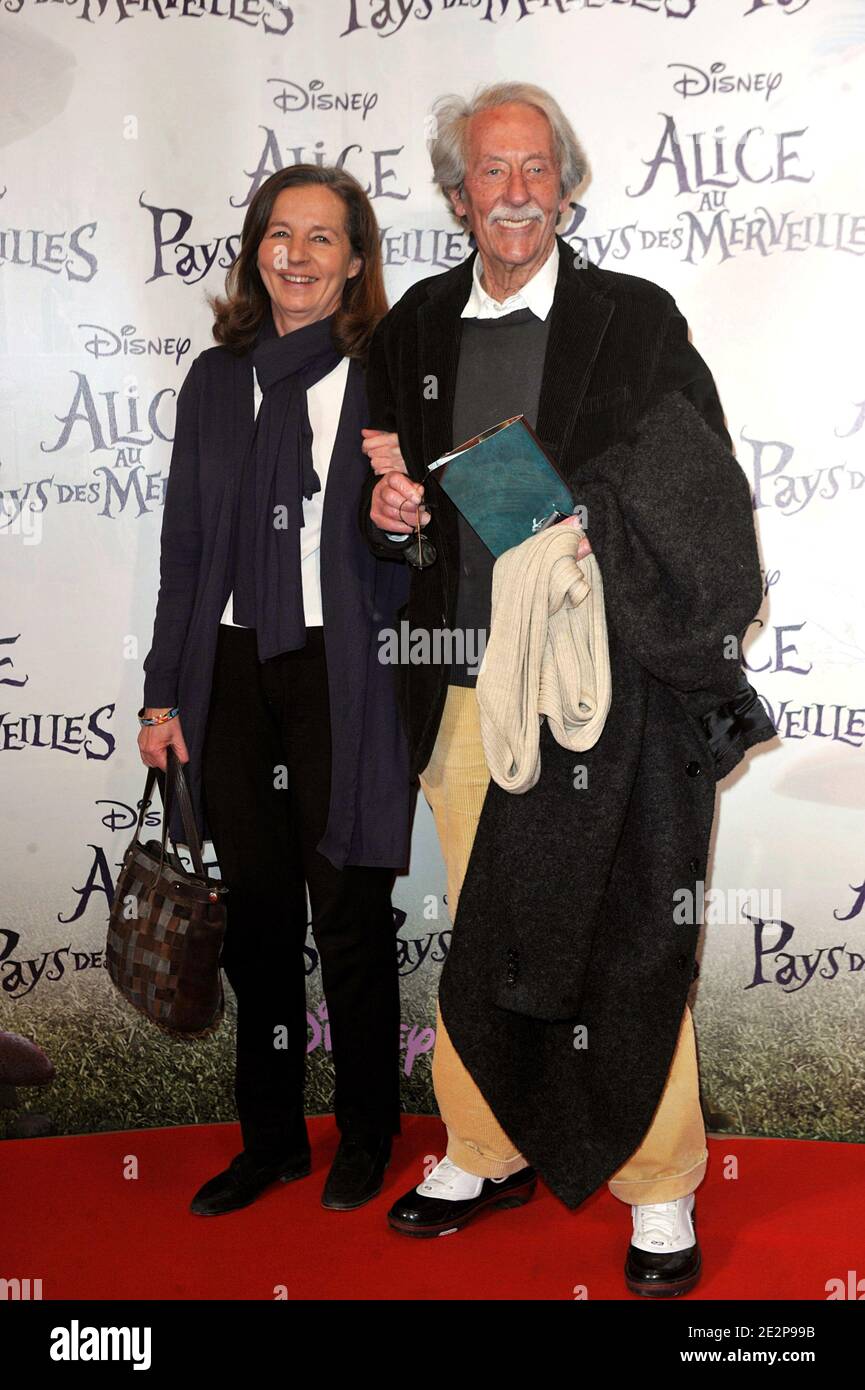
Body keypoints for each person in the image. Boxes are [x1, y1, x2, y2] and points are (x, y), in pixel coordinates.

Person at [362, 82, 776, 1295]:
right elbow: (395, 512)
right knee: (482, 932)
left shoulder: (634, 318)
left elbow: (705, 499)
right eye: (491, 172)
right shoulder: (413, 330)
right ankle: (482, 1148)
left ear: (568, 184)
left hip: (602, 687)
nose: (516, 191)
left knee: (629, 934)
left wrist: (608, 526)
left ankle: (660, 1187)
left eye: (536, 167)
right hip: (458, 682)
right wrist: (391, 517)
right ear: (456, 196)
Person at [138, 165, 411, 1218]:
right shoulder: (217, 380)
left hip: (337, 669)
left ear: (354, 260)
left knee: (348, 913)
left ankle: (368, 1131)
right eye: (277, 234)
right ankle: (271, 1140)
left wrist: (404, 514)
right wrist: (164, 694)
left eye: (321, 238)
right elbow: (186, 545)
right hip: (231, 673)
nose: (295, 254)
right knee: (256, 921)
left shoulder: (383, 374)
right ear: (257, 249)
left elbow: (413, 545)